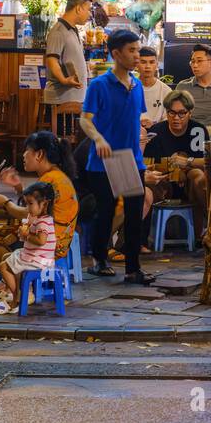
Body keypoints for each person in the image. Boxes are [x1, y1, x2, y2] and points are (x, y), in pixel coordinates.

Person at [80, 28, 153, 284]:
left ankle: (133, 268)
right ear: (115, 54)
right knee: (106, 211)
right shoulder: (99, 85)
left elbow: (135, 118)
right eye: (132, 51)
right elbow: (85, 120)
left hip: (132, 159)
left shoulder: (136, 87)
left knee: (135, 215)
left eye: (138, 49)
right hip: (102, 162)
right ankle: (99, 260)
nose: (137, 56)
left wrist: (142, 128)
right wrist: (99, 138)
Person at [0, 130, 80, 277]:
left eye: (27, 151)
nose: (23, 155)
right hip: (55, 240)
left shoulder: (50, 179)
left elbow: (30, 213)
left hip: (44, 243)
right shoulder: (56, 176)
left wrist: (5, 203)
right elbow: (38, 208)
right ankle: (14, 276)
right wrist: (19, 188)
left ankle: (21, 281)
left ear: (39, 154)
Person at [143, 89, 209, 239]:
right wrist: (174, 172)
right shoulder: (155, 132)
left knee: (198, 176)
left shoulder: (197, 130)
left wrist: (187, 162)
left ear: (190, 113)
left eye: (181, 113)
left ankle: (206, 229)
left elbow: (207, 162)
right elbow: (148, 164)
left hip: (190, 183)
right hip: (164, 181)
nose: (176, 118)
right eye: (171, 113)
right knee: (150, 182)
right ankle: (144, 238)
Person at [0, 180, 57, 315]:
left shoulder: (43, 222)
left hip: (38, 259)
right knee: (7, 257)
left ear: (45, 204)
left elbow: (41, 241)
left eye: (30, 203)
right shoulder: (38, 218)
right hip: (34, 256)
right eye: (26, 203)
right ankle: (14, 289)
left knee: (3, 266)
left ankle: (17, 296)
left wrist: (26, 235)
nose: (28, 207)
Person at [43, 0, 93, 108]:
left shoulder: (72, 30)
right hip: (61, 102)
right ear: (79, 9)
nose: (89, 14)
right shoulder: (59, 31)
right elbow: (51, 60)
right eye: (88, 9)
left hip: (73, 100)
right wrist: (64, 80)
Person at [180, 43, 211, 130]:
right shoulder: (183, 87)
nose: (195, 65)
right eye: (192, 61)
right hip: (190, 132)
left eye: (199, 61)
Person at [138, 46, 173, 129]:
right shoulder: (128, 89)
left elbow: (170, 119)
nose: (147, 66)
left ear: (157, 64)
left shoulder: (166, 91)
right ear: (136, 64)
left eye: (151, 62)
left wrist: (154, 126)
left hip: (158, 134)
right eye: (143, 62)